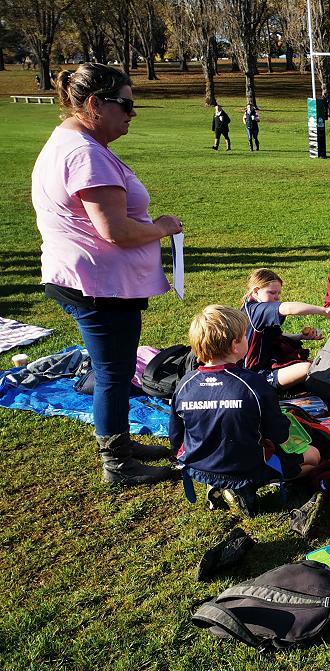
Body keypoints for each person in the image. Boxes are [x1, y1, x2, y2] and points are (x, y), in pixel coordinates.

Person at [31, 63, 180, 485]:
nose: (132, 114)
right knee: (113, 373)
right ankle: (117, 462)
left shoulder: (74, 143)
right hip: (97, 285)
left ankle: (121, 440)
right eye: (126, 105)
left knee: (113, 368)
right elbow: (116, 231)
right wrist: (163, 229)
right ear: (95, 104)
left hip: (89, 280)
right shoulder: (84, 154)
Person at [171, 305, 321, 516]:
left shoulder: (185, 384)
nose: (247, 339)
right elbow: (279, 434)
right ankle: (245, 488)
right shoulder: (253, 384)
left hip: (199, 466)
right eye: (244, 336)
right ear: (235, 346)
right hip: (246, 466)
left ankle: (219, 483)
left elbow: (176, 436)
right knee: (314, 458)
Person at [241, 268, 330, 390]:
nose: (276, 297)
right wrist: (323, 310)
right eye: (272, 293)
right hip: (255, 377)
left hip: (267, 364)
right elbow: (287, 308)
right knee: (307, 368)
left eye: (278, 293)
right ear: (256, 292)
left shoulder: (254, 307)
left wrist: (301, 336)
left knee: (314, 366)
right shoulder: (257, 310)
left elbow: (273, 338)